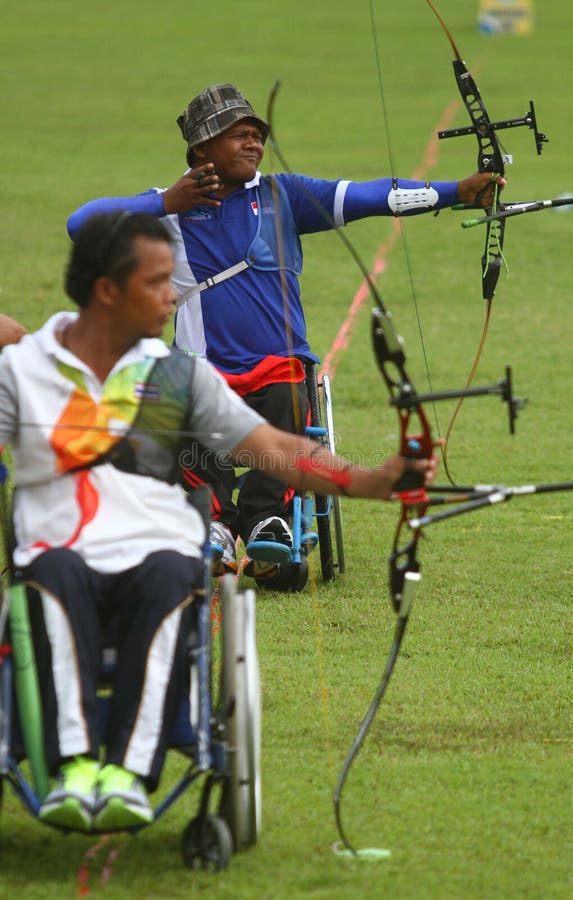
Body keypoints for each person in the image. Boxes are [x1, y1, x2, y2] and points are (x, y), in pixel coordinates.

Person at [0, 211, 437, 833]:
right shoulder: (23, 370)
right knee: (55, 569)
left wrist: (374, 481)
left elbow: (277, 450)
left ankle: (126, 774)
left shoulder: (178, 374)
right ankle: (71, 768)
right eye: (156, 283)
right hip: (56, 556)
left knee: (168, 572)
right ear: (107, 291)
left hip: (158, 553)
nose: (173, 295)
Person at [67, 84, 493, 583]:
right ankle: (214, 521)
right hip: (202, 369)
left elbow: (372, 195)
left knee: (290, 393)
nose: (253, 145)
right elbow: (81, 224)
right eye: (239, 136)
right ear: (202, 147)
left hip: (278, 366)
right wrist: (166, 202)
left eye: (257, 136)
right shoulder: (167, 211)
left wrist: (455, 191)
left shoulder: (282, 195)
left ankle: (268, 516)